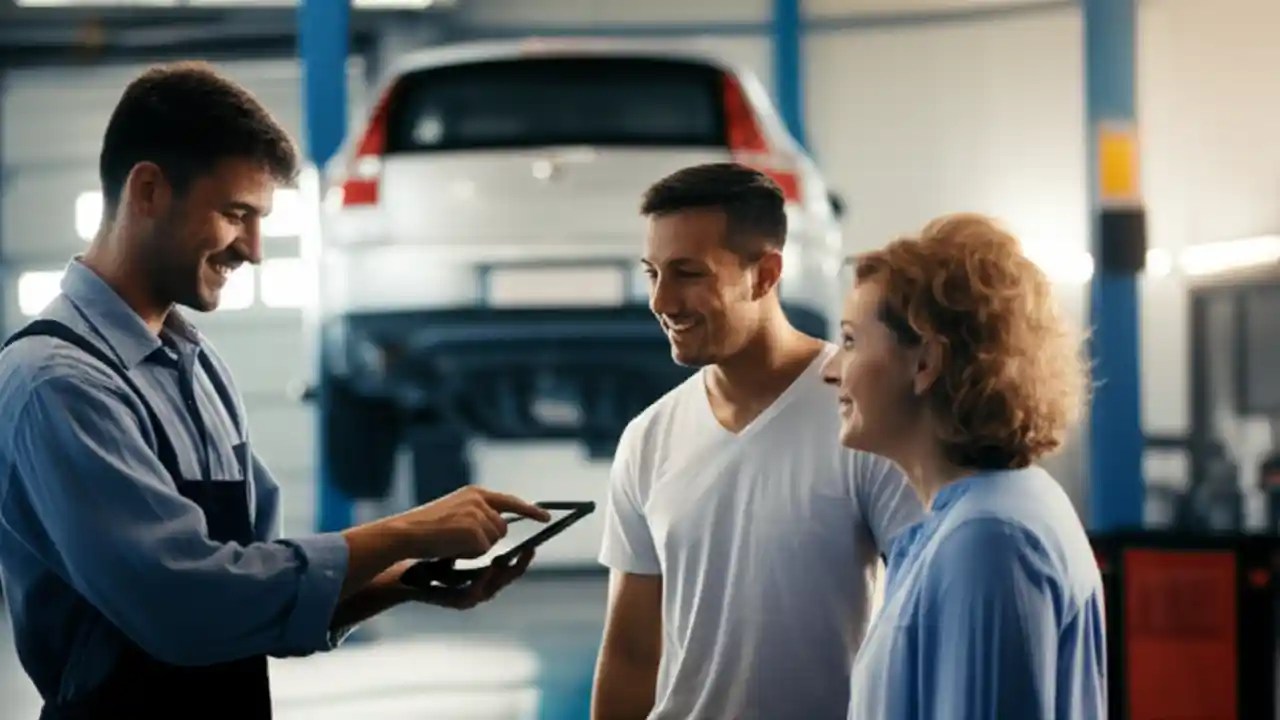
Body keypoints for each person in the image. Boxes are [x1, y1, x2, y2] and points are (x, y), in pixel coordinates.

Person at [0, 61, 550, 719]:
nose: (254, 251)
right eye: (236, 214)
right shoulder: (57, 383)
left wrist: (405, 581)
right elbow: (184, 607)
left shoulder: (197, 368)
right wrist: (407, 532)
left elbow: (254, 589)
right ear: (148, 190)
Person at [590, 163, 923, 719]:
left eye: (688, 274)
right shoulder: (648, 439)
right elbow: (630, 654)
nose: (661, 301)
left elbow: (922, 621)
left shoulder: (863, 415)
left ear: (765, 275)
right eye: (653, 274)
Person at [823, 213, 1105, 719]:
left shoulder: (988, 540)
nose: (830, 370)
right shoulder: (982, 516)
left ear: (925, 363)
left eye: (849, 342)